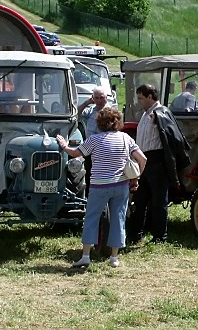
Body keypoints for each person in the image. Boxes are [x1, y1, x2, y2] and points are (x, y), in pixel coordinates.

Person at [57, 107, 146, 269]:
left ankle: (86, 256)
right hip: (120, 185)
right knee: (118, 219)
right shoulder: (125, 138)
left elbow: (75, 153)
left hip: (99, 185)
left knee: (92, 218)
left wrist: (64, 145)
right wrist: (136, 177)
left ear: (99, 123)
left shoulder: (94, 139)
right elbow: (142, 159)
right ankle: (114, 257)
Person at [128, 84, 191, 244]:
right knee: (139, 200)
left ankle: (160, 236)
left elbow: (174, 137)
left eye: (141, 98)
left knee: (158, 202)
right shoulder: (146, 114)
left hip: (157, 163)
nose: (139, 101)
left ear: (150, 97)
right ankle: (135, 234)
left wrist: (159, 122)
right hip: (143, 162)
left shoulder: (161, 112)